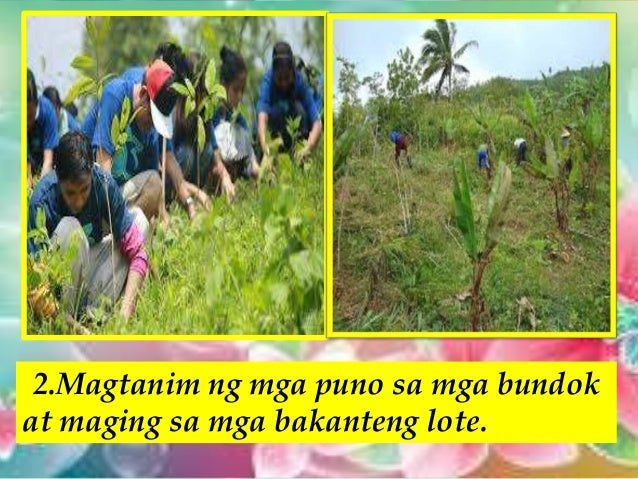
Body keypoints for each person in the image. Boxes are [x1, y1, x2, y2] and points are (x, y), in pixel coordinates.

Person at [27, 131, 148, 320]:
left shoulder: (104, 184)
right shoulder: (41, 202)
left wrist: (126, 313)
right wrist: (72, 329)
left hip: (90, 276)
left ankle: (95, 314)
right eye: (70, 193)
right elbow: (36, 290)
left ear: (92, 171)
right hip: (57, 294)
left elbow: (138, 254)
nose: (78, 200)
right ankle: (69, 318)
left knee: (139, 222)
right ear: (58, 177)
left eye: (84, 189)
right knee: (70, 228)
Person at [82, 59, 208, 224]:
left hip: (118, 199)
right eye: (151, 117)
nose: (152, 126)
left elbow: (152, 185)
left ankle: (121, 238)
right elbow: (102, 168)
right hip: (90, 193)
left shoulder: (151, 132)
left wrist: (164, 221)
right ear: (142, 94)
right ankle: (118, 234)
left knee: (155, 183)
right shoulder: (116, 95)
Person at [256, 41, 322, 164]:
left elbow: (317, 123)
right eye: (279, 78)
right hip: (274, 133)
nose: (284, 83)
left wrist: (308, 147)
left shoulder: (299, 81)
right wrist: (265, 147)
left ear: (293, 72)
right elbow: (262, 117)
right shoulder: (267, 82)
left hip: (296, 134)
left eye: (287, 78)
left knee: (300, 109)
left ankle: (300, 161)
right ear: (273, 73)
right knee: (258, 126)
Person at [27, 68, 59, 189]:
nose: (27, 123)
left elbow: (48, 160)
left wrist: (39, 191)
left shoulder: (47, 111)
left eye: (30, 116)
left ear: (36, 103)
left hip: (42, 166)